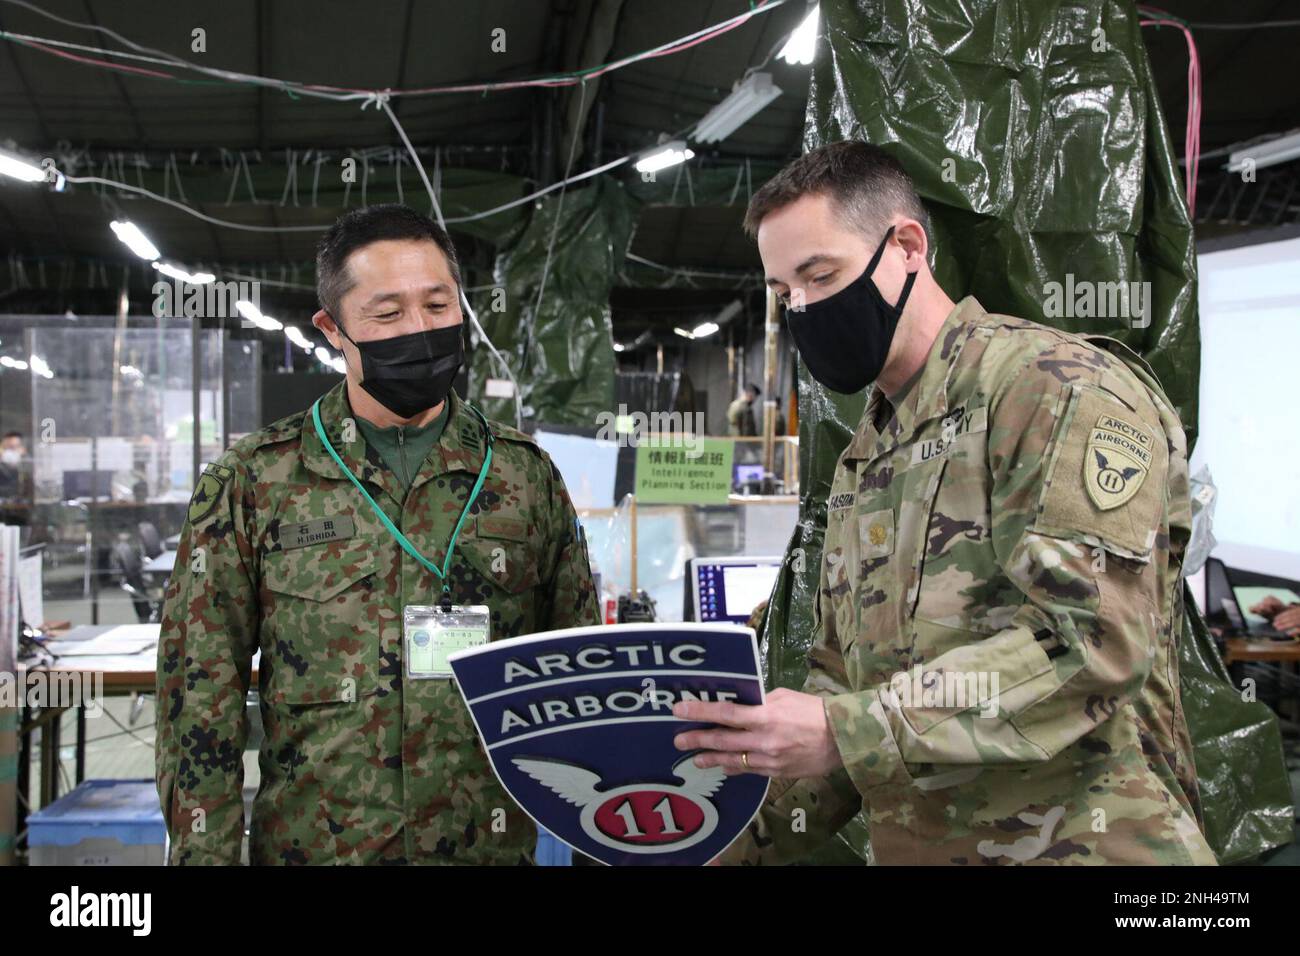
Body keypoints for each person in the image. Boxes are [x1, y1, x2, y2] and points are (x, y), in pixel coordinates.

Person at [674, 141, 1215, 865]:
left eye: (820, 274)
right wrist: (699, 842)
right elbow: (842, 692)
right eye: (782, 292)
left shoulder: (1053, 389)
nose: (803, 307)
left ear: (906, 247)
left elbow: (1086, 643)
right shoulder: (869, 454)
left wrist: (848, 729)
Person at [156, 204, 600, 865]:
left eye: (437, 305)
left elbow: (577, 672)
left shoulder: (521, 474)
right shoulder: (255, 479)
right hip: (320, 848)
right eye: (387, 315)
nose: (419, 330)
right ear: (334, 329)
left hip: (483, 849)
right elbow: (199, 691)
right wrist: (204, 855)